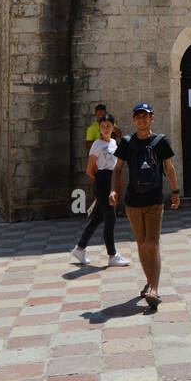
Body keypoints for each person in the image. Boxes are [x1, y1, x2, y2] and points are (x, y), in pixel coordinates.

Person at [109, 103, 180, 311]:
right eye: (138, 116)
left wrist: (175, 192)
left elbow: (170, 168)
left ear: (152, 118)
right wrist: (113, 190)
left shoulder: (161, 142)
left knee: (152, 243)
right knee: (141, 243)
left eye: (145, 116)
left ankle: (154, 289)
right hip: (132, 201)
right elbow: (118, 168)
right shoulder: (127, 143)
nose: (142, 119)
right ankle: (149, 283)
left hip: (155, 200)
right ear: (134, 120)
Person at [72, 114, 130, 268]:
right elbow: (90, 170)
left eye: (108, 125)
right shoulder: (97, 144)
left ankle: (80, 248)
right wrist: (100, 182)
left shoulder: (114, 143)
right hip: (103, 181)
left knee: (98, 218)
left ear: (113, 127)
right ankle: (112, 255)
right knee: (110, 218)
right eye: (103, 125)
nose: (105, 128)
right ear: (99, 127)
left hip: (111, 181)